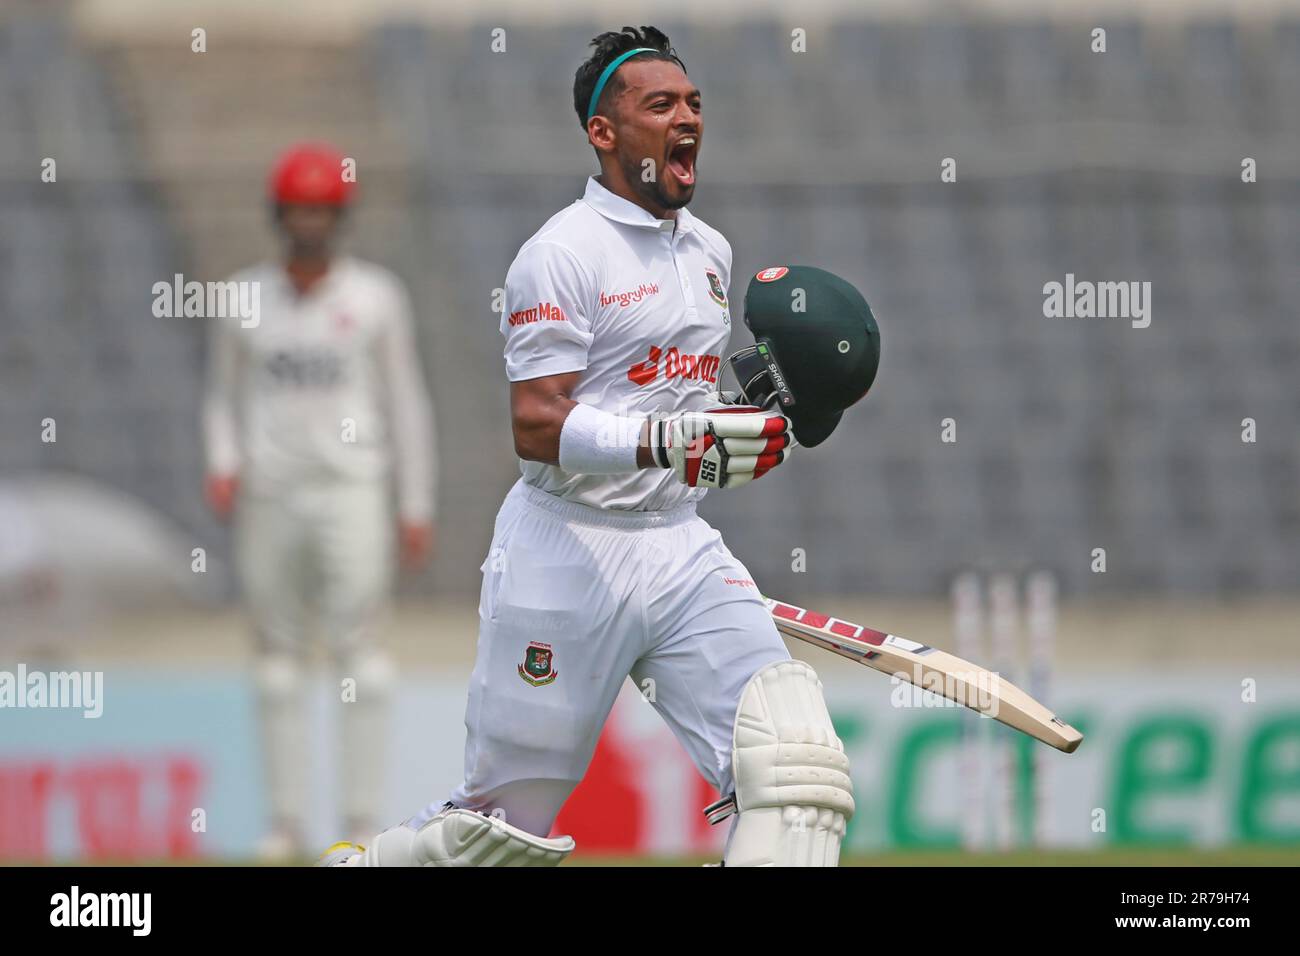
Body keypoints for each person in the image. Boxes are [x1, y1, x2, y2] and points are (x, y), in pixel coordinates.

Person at [326, 25, 872, 868]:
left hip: (681, 549)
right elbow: (539, 424)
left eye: (693, 104)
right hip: (566, 550)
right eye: (661, 105)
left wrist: (743, 430)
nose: (686, 118)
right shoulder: (560, 254)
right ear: (604, 132)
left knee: (797, 774)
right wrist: (676, 440)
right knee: (499, 838)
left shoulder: (712, 253)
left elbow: (678, 414)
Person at [203, 143, 437, 859]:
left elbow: (405, 402)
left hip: (352, 490)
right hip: (272, 494)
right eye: (298, 209)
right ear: (280, 215)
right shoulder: (244, 297)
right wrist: (224, 462)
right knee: (275, 660)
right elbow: (220, 396)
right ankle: (285, 826)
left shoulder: (376, 297)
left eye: (321, 210)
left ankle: (362, 824)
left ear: (340, 218)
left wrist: (415, 500)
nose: (309, 223)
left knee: (360, 655)